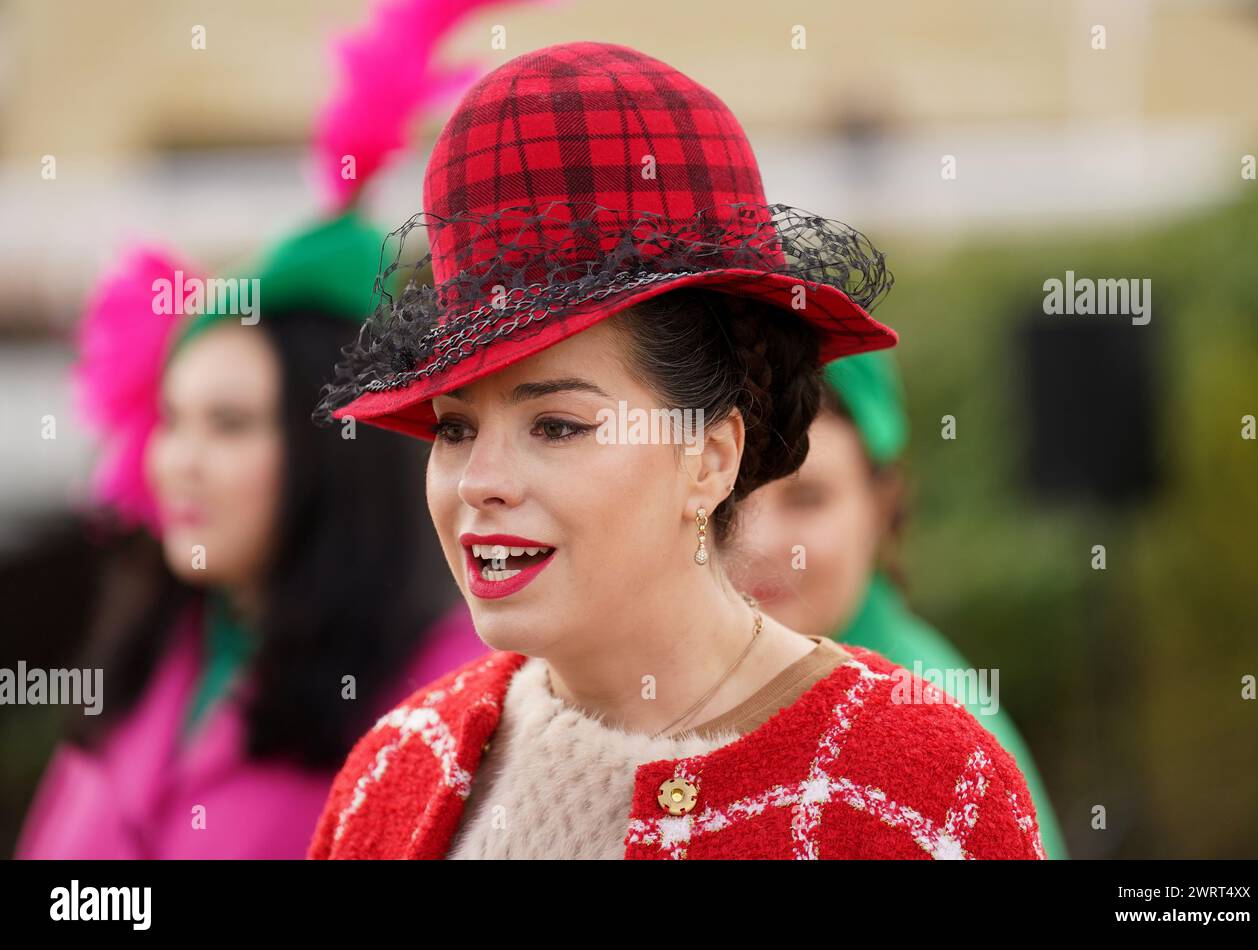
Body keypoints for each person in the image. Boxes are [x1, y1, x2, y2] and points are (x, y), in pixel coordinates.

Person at [307, 40, 1047, 860]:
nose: (480, 482)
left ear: (712, 458)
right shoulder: (398, 771)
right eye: (454, 428)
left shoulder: (917, 791)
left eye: (557, 425)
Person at [14, 0, 494, 858]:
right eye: (170, 420)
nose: (178, 463)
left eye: (230, 425)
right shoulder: (158, 654)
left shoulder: (453, 686)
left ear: (335, 450)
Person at [730, 350, 1070, 859]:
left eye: (807, 499)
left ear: (882, 504)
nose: (759, 540)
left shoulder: (936, 732)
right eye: (733, 495)